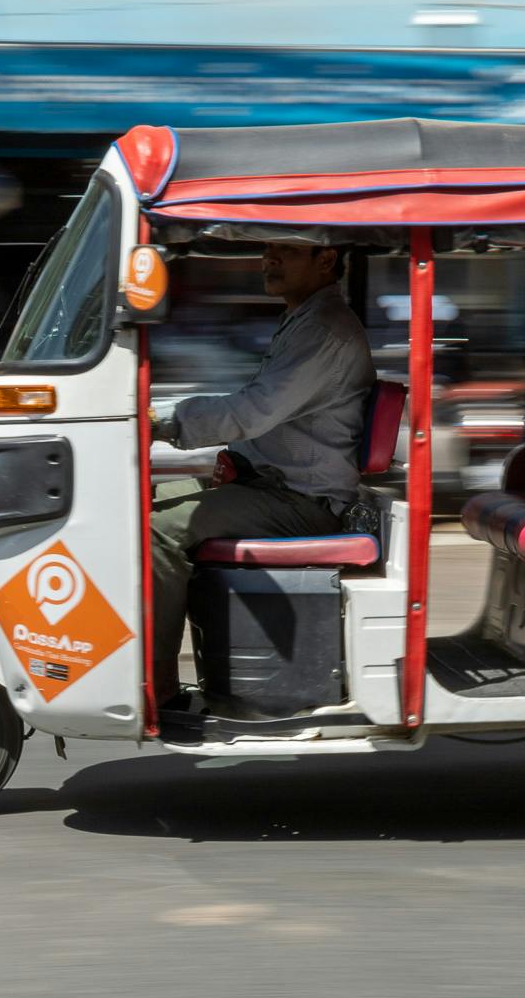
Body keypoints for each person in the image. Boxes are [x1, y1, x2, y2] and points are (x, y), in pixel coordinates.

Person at [150, 238, 374, 698]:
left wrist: (159, 420)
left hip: (298, 502)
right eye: (269, 248)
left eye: (287, 250)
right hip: (270, 486)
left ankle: (158, 685)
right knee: (143, 503)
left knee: (159, 531)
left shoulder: (323, 331)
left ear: (326, 259)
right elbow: (263, 417)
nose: (269, 258)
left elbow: (254, 411)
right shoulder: (303, 320)